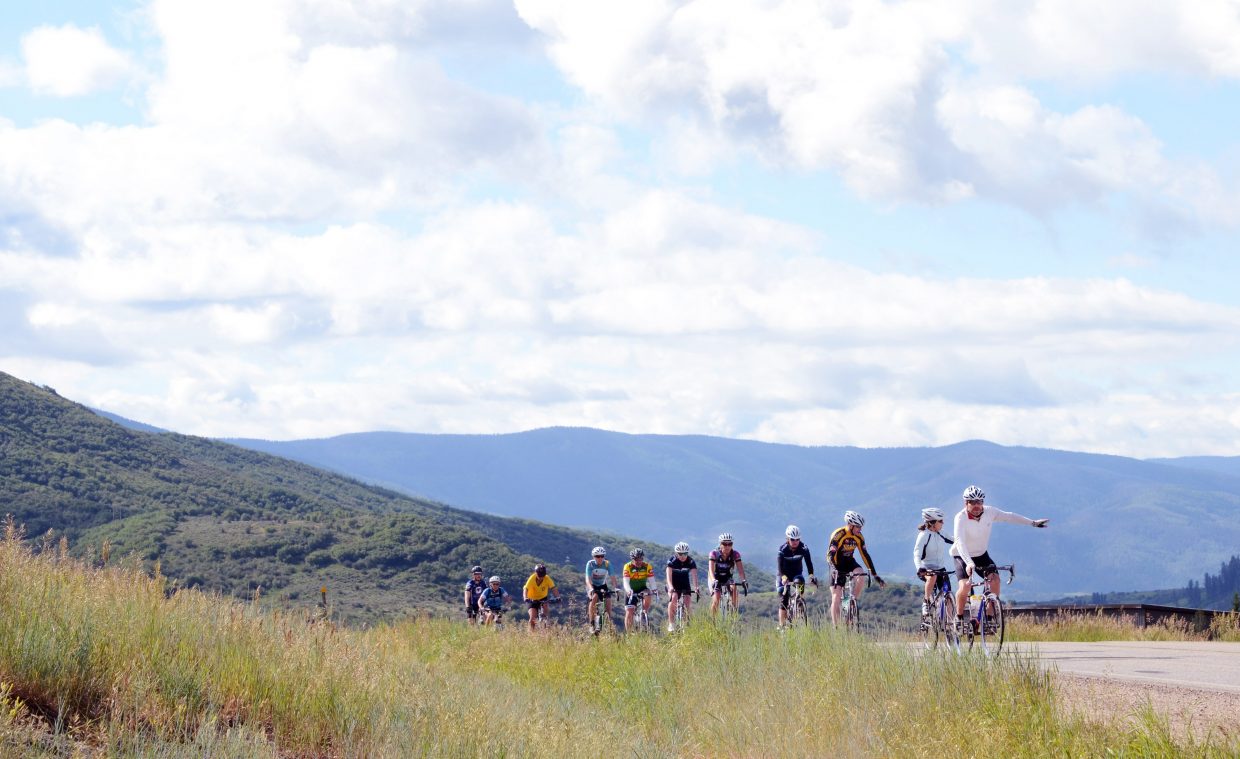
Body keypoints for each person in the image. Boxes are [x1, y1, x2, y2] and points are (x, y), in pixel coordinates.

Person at [951, 485, 1049, 628]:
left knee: (995, 580)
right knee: (965, 586)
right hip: (961, 555)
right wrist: (969, 563)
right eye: (972, 502)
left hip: (981, 554)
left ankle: (990, 618)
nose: (976, 505)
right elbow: (959, 542)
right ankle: (959, 617)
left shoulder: (990, 512)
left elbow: (1009, 516)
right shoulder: (960, 517)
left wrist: (1032, 523)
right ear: (966, 503)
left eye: (979, 501)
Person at [828, 511, 886, 627]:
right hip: (836, 564)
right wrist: (833, 568)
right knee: (836, 596)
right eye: (858, 526)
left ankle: (852, 602)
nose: (860, 529)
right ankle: (836, 627)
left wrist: (875, 575)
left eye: (861, 526)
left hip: (849, 562)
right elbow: (831, 554)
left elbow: (865, 555)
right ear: (850, 525)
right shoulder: (839, 534)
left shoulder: (859, 536)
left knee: (861, 575)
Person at [912, 507, 953, 617]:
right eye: (940, 521)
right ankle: (926, 602)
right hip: (926, 568)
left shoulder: (941, 533)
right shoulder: (923, 535)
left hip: (941, 568)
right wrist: (919, 567)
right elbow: (917, 554)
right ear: (932, 523)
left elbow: (955, 541)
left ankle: (950, 623)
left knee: (948, 595)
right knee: (932, 576)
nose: (943, 523)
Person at [776, 525, 816, 628]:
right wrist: (783, 577)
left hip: (796, 574)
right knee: (784, 598)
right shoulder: (782, 549)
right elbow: (779, 567)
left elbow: (809, 563)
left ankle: (799, 605)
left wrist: (811, 576)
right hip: (783, 574)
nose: (795, 542)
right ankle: (782, 626)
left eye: (797, 539)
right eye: (792, 539)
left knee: (800, 583)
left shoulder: (804, 548)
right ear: (787, 539)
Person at [708, 532, 747, 615]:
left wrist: (743, 580)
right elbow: (711, 570)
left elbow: (740, 570)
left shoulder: (735, 554)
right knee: (716, 598)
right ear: (720, 544)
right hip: (715, 577)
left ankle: (733, 613)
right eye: (724, 544)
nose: (727, 546)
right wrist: (713, 580)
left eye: (730, 544)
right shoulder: (714, 554)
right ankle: (712, 621)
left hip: (727, 577)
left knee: (734, 589)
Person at [665, 541, 699, 631]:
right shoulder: (672, 561)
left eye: (685, 554)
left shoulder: (691, 561)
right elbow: (668, 575)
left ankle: (685, 624)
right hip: (673, 583)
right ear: (676, 553)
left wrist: (696, 587)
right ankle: (671, 624)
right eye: (680, 554)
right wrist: (670, 587)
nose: (683, 556)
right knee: (674, 598)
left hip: (685, 583)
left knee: (687, 602)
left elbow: (694, 575)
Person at [622, 547, 657, 632]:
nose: (638, 561)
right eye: (636, 559)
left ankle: (644, 613)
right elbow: (625, 581)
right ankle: (629, 634)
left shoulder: (647, 566)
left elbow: (651, 580)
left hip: (642, 588)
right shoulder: (627, 566)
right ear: (632, 559)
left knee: (648, 593)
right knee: (629, 612)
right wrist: (628, 590)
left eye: (640, 559)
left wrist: (654, 589)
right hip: (631, 590)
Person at [585, 546, 616, 633]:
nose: (600, 558)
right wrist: (591, 589)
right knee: (594, 597)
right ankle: (592, 624)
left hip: (602, 585)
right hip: (592, 585)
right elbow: (587, 579)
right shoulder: (590, 564)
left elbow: (613, 577)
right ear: (593, 557)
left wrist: (616, 588)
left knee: (608, 599)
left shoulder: (607, 564)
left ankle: (609, 622)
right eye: (597, 556)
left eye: (602, 556)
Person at [522, 563, 561, 631]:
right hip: (532, 600)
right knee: (532, 618)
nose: (541, 577)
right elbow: (526, 589)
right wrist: (525, 598)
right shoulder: (532, 578)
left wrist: (558, 597)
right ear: (536, 573)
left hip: (543, 598)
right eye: (539, 575)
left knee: (546, 616)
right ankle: (531, 633)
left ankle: (546, 630)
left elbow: (553, 588)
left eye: (543, 576)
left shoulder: (547, 578)